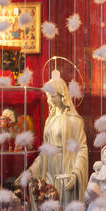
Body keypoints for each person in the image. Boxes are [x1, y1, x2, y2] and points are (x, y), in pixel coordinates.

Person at [29, 70, 89, 200]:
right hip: (49, 167)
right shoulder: (50, 120)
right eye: (48, 96)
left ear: (63, 96)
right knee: (48, 202)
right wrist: (31, 171)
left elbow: (82, 149)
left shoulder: (74, 120)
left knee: (64, 205)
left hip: (66, 166)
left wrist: (75, 173)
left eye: (53, 96)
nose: (50, 99)